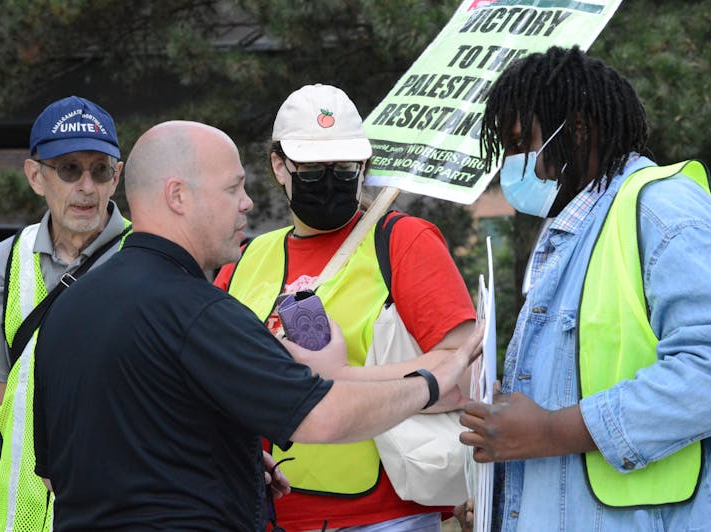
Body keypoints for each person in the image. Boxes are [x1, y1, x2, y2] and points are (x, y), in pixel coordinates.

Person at [31, 120, 483, 531]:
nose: (246, 203)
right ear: (178, 196)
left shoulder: (67, 310)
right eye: (233, 189)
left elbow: (58, 470)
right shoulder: (200, 312)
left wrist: (230, 458)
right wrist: (431, 379)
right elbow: (322, 416)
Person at [456, 46, 711, 531]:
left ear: (577, 129)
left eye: (519, 143)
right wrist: (501, 504)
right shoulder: (571, 232)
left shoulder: (665, 210)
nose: (512, 163)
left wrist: (552, 430)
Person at [214, 83, 477, 531]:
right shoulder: (244, 260)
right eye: (312, 170)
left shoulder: (403, 241)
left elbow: (466, 376)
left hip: (383, 518)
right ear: (279, 166)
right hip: (264, 515)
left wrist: (339, 379)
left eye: (344, 168)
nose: (330, 182)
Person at [0, 95, 128, 531]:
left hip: (122, 511)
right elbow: (6, 409)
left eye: (100, 170)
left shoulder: (150, 257)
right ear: (36, 176)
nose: (86, 187)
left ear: (116, 177)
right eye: (69, 169)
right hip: (23, 515)